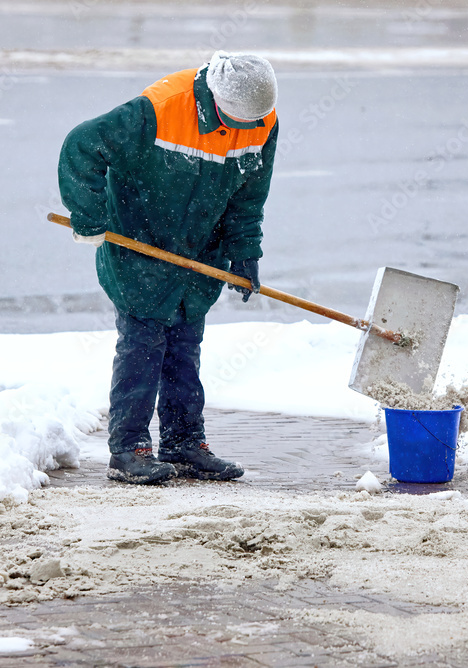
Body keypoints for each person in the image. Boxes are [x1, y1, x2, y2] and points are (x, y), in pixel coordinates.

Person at [58, 51, 278, 485]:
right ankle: (129, 450)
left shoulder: (262, 120)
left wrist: (245, 250)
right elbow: (82, 145)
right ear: (215, 98)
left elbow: (249, 194)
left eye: (252, 121)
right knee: (142, 347)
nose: (245, 129)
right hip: (140, 245)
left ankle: (182, 443)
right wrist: (89, 219)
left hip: (199, 255)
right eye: (236, 120)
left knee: (184, 349)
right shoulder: (159, 109)